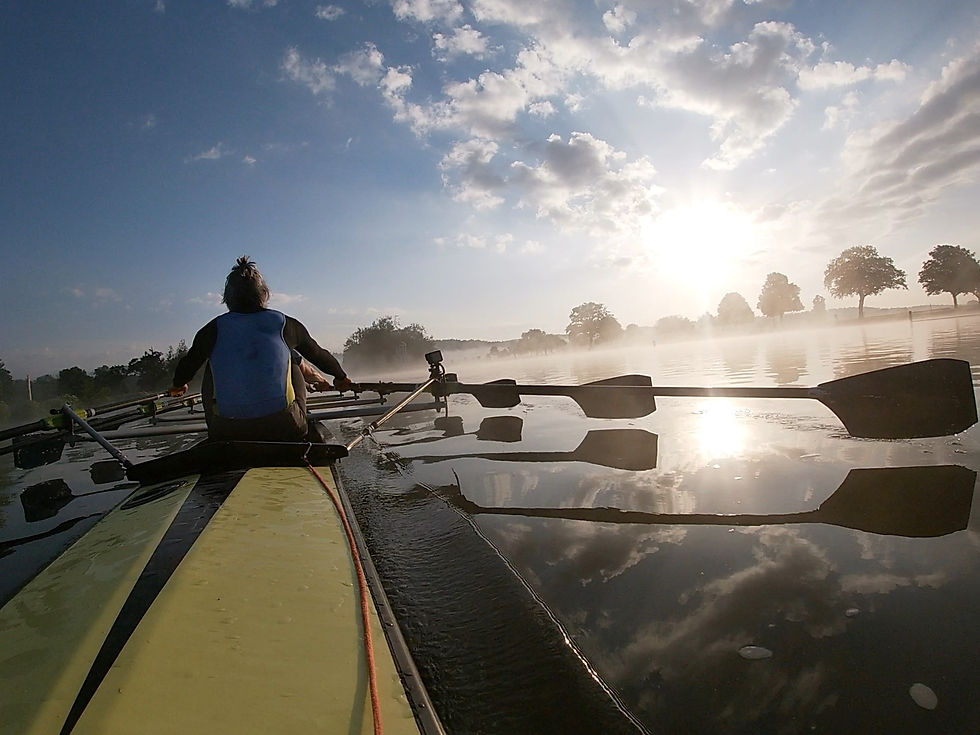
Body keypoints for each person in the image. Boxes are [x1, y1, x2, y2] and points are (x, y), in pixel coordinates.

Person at [168, 256, 353, 441]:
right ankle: (297, 422)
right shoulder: (286, 324)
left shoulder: (211, 330)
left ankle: (217, 433)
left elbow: (188, 365)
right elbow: (318, 355)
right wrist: (341, 377)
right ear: (264, 294)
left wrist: (179, 384)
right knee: (291, 357)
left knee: (210, 363)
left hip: (227, 430)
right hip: (286, 425)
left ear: (227, 298)